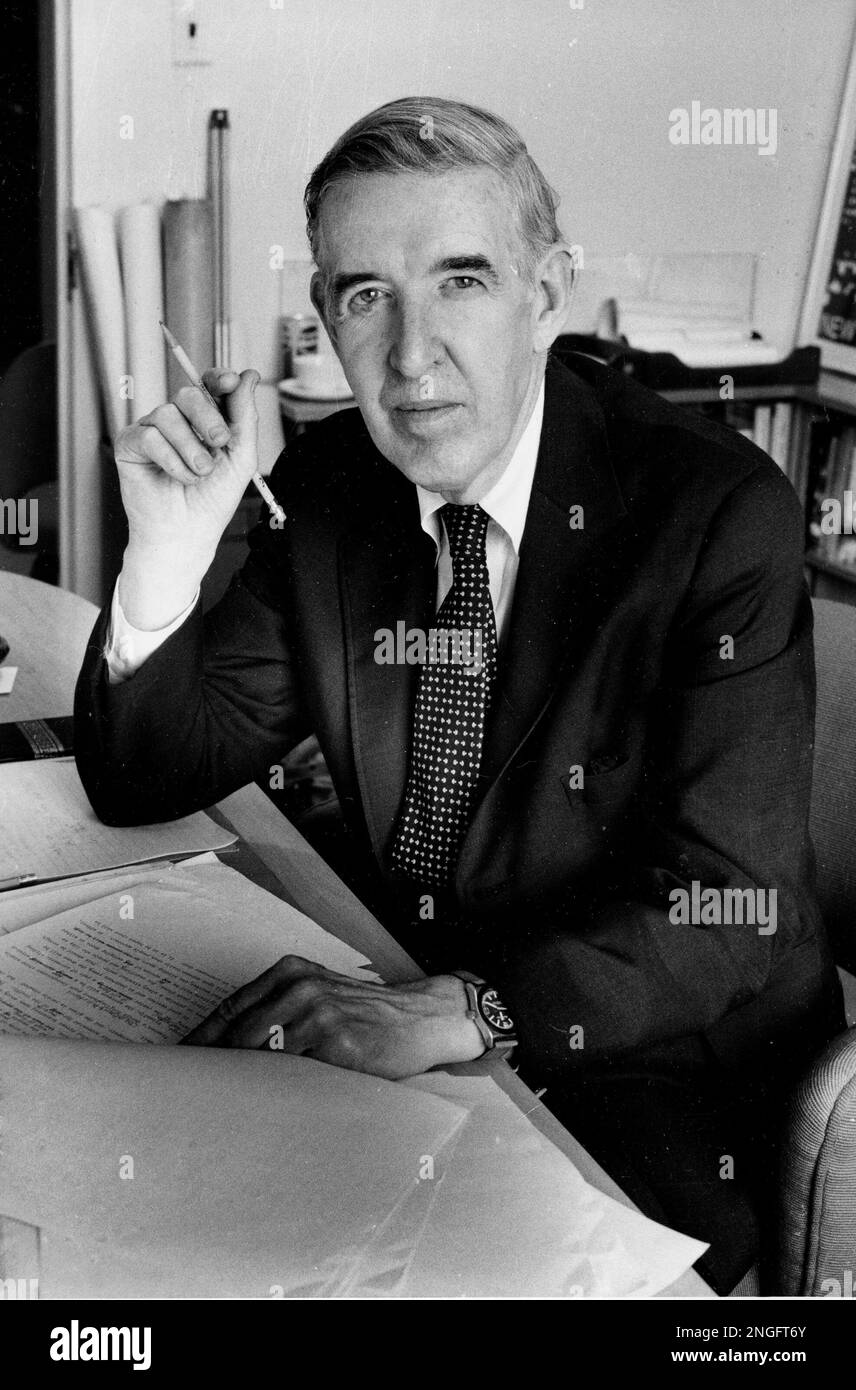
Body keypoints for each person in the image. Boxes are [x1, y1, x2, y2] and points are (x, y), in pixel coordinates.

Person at [74, 97, 843, 1293]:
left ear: (548, 291)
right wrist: (164, 555)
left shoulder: (710, 513)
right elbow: (142, 776)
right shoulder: (334, 487)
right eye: (366, 295)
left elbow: (729, 903)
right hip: (411, 1010)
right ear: (325, 316)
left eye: (462, 281)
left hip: (662, 1060)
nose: (412, 354)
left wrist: (469, 1007)